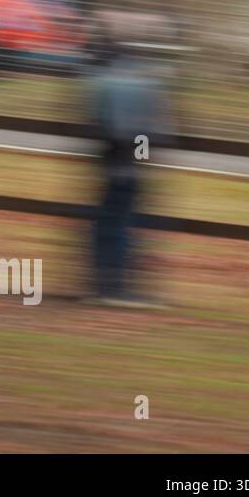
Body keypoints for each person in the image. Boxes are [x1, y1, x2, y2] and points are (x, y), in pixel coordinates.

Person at [86, 19, 173, 306]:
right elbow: (151, 128)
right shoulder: (142, 80)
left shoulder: (101, 80)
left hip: (112, 162)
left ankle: (105, 284)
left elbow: (102, 124)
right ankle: (119, 285)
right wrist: (140, 158)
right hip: (131, 164)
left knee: (110, 223)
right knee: (124, 223)